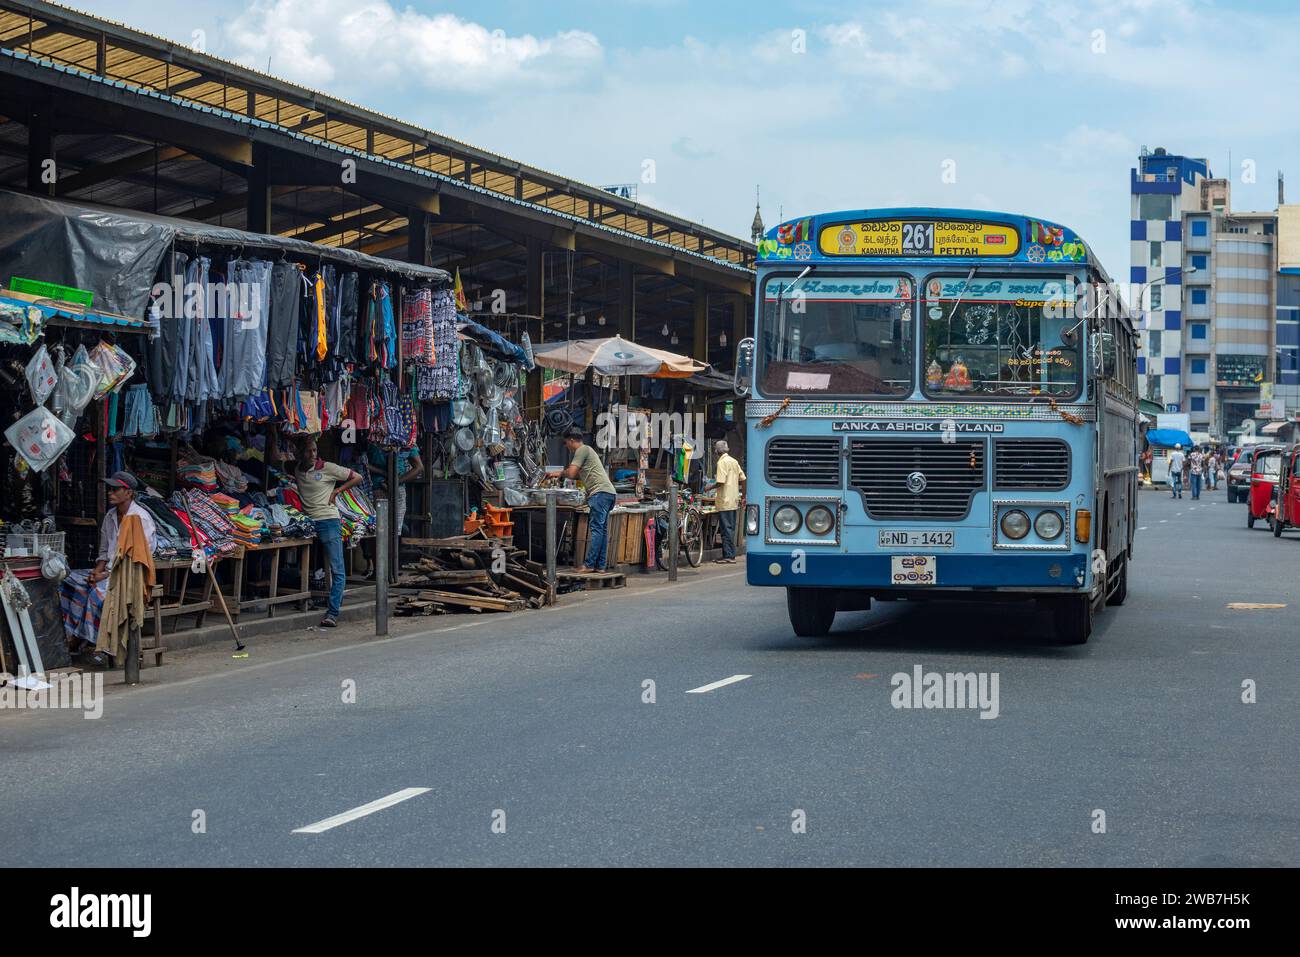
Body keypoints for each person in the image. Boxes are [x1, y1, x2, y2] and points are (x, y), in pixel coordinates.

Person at [61, 471, 158, 666]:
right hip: (108, 573)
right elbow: (104, 551)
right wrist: (97, 571)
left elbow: (138, 559)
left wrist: (104, 575)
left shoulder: (141, 519)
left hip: (130, 576)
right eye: (110, 489)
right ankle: (75, 636)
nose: (110, 493)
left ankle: (99, 644)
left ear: (129, 493)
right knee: (70, 583)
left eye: (116, 489)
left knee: (97, 595)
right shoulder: (110, 516)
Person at [291, 434, 362, 627]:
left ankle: (332, 613)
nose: (313, 454)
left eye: (315, 450)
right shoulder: (298, 469)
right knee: (309, 566)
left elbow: (357, 477)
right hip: (308, 523)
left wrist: (338, 491)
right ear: (300, 453)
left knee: (337, 568)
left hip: (329, 521)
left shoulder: (328, 468)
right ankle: (310, 599)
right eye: (309, 451)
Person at [559, 426, 616, 573]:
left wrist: (558, 473)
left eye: (566, 443)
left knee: (597, 531)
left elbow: (571, 473)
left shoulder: (582, 450)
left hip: (600, 494)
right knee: (601, 531)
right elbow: (578, 474)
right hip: (608, 493)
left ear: (571, 441)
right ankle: (600, 566)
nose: (567, 447)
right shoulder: (588, 451)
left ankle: (589, 565)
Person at [365, 443, 424, 540]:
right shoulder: (373, 440)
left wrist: (395, 482)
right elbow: (365, 464)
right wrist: (390, 479)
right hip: (376, 488)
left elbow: (419, 468)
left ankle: (387, 553)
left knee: (393, 530)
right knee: (376, 530)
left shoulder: (407, 441)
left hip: (393, 488)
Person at [706, 440, 746, 564]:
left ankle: (729, 555)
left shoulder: (722, 462)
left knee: (726, 530)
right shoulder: (734, 461)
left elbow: (720, 482)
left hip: (725, 501)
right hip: (733, 500)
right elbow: (743, 479)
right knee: (730, 529)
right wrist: (744, 496)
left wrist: (709, 487)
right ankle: (729, 554)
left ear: (717, 451)